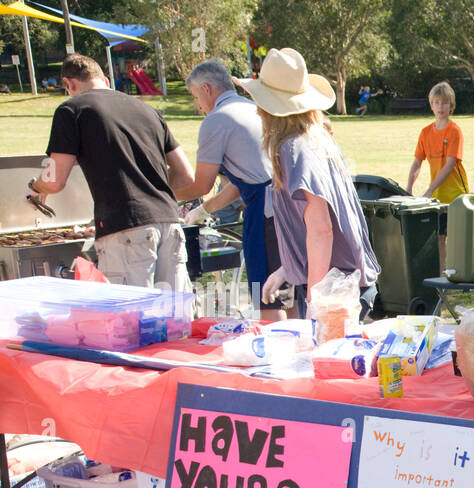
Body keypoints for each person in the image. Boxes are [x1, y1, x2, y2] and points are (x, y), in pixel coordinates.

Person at [234, 49, 379, 322]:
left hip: (336, 291)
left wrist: (315, 301)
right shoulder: (312, 140)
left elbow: (321, 230)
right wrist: (286, 270)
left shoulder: (295, 149)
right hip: (341, 284)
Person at [28, 54, 195, 291]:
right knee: (175, 319)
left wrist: (36, 188)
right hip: (169, 223)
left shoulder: (71, 110)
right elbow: (186, 175)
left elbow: (54, 181)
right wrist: (150, 196)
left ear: (69, 83)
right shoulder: (147, 109)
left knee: (130, 319)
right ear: (105, 80)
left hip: (126, 229)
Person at [174, 59, 283, 319]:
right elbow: (241, 182)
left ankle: (276, 353)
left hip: (263, 213)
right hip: (284, 205)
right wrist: (204, 208)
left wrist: (162, 196)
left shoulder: (216, 120)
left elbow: (201, 184)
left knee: (267, 297)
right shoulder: (252, 108)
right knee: (286, 291)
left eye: (195, 96)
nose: (197, 105)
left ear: (207, 88)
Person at [406, 81, 468, 268]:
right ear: (431, 105)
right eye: (437, 103)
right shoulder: (425, 132)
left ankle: (460, 274)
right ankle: (442, 284)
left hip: (454, 195)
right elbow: (417, 162)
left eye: (445, 103)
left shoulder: (454, 131)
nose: (440, 107)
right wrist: (408, 188)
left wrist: (429, 189)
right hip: (436, 198)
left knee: (458, 239)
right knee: (440, 238)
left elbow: (449, 166)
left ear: (452, 105)